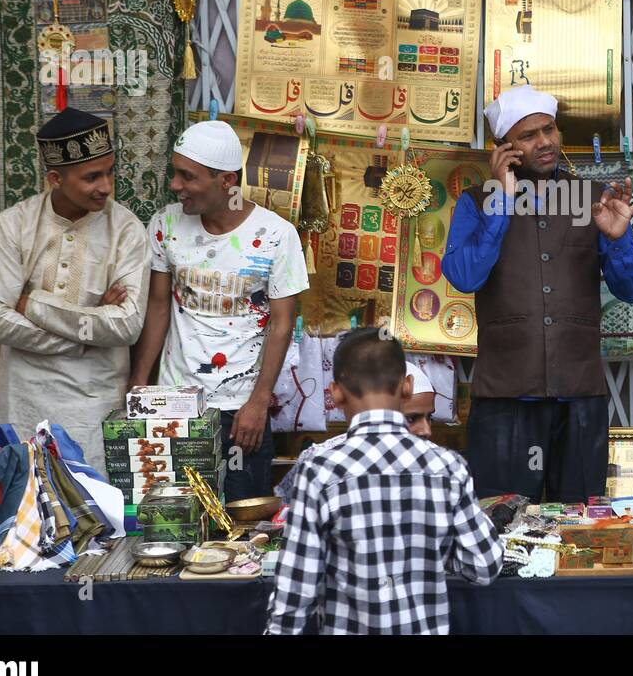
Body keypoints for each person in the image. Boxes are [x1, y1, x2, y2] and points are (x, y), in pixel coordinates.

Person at [442, 86, 633, 502]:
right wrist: (501, 200)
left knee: (577, 521)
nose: (545, 142)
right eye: (529, 136)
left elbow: (632, 290)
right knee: (501, 518)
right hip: (505, 398)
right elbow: (464, 277)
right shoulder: (476, 202)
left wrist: (619, 240)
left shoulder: (590, 199)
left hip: (579, 397)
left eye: (549, 129)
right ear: (504, 149)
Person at [266, 329, 503, 634]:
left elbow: (295, 592)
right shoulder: (447, 467)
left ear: (336, 393)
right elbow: (484, 565)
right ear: (406, 387)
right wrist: (432, 553)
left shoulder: (318, 469)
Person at [129, 120, 308, 502]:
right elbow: (159, 305)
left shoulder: (276, 235)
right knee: (170, 514)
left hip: (240, 409)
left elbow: (281, 325)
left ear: (226, 181)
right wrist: (140, 383)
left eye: (187, 176)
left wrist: (258, 402)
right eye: (175, 173)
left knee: (240, 525)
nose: (175, 185)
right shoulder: (166, 224)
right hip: (174, 404)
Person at [0, 110, 148, 469]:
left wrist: (35, 305)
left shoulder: (127, 231)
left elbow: (126, 326)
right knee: (25, 511)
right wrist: (86, 335)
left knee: (94, 512)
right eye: (92, 177)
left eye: (110, 171)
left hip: (94, 401)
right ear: (56, 178)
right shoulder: (13, 226)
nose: (106, 186)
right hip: (25, 399)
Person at [274, 360, 438, 499]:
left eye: (429, 417)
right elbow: (286, 511)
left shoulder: (440, 466)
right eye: (410, 419)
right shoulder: (321, 460)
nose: (425, 430)